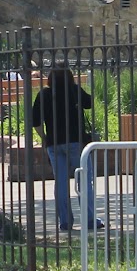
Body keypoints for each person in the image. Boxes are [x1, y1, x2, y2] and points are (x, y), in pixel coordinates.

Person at [29, 65, 101, 232]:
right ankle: (89, 219)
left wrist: (45, 138)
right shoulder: (74, 90)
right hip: (76, 142)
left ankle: (65, 221)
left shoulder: (44, 94)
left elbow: (36, 122)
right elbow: (89, 103)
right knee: (84, 180)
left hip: (54, 143)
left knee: (60, 183)